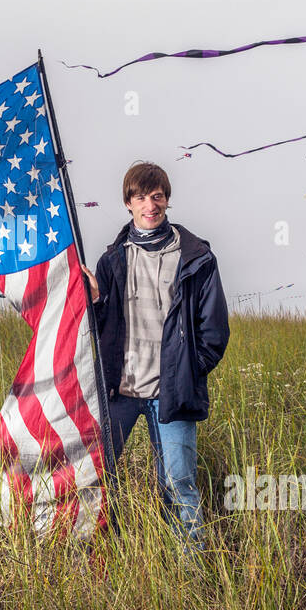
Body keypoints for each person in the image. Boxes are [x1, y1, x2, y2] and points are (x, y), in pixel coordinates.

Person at [81, 162, 229, 551]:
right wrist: (96, 299)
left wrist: (186, 373)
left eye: (157, 196)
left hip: (173, 393)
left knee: (179, 483)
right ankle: (101, 557)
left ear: (167, 199)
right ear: (128, 203)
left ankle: (190, 573)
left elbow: (214, 331)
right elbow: (98, 328)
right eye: (141, 197)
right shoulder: (111, 260)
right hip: (121, 392)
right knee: (96, 475)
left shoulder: (196, 257)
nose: (150, 204)